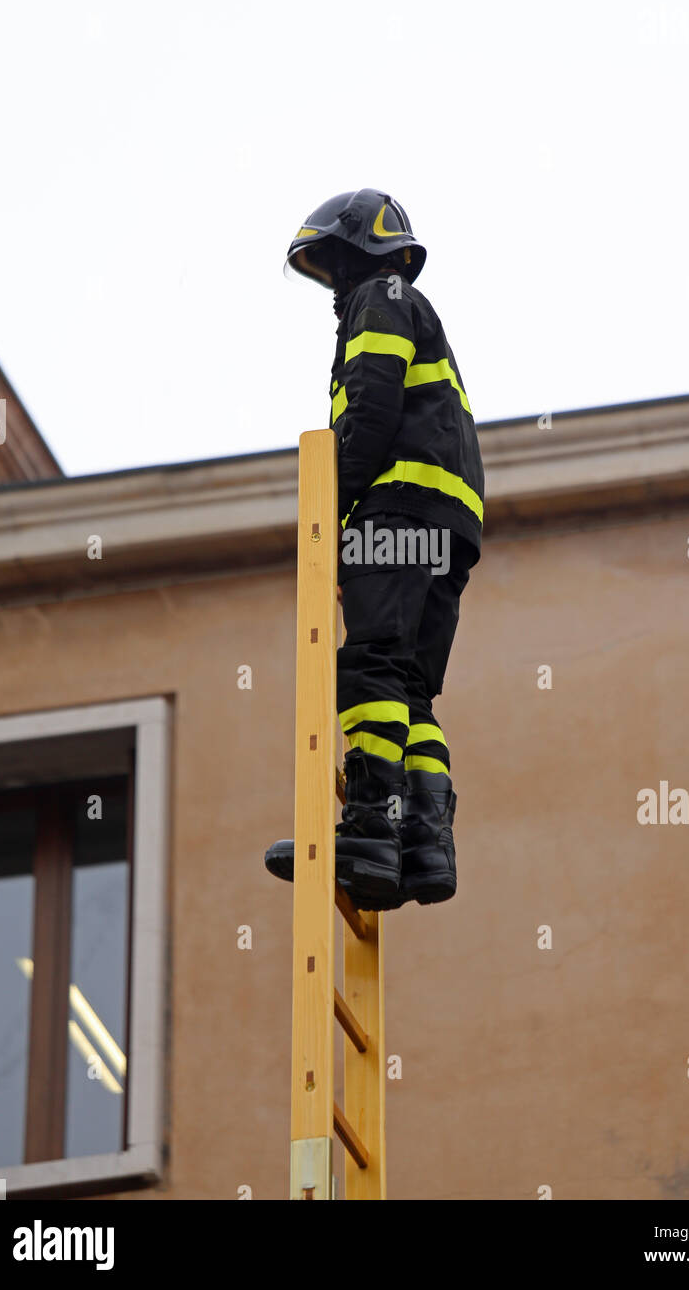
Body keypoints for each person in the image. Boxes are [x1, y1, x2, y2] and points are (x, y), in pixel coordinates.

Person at [265, 188, 484, 909]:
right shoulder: (416, 311)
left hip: (397, 509)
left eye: (329, 260)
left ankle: (366, 829)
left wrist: (332, 514)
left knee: (370, 669)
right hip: (448, 528)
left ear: (358, 250)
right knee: (409, 688)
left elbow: (373, 403)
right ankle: (423, 842)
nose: (328, 279)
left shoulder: (379, 299)